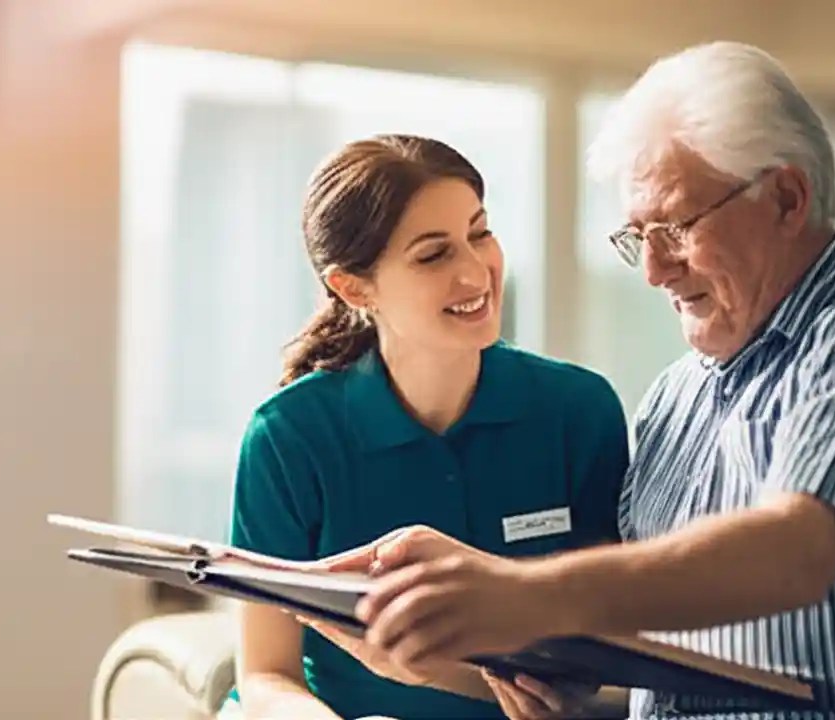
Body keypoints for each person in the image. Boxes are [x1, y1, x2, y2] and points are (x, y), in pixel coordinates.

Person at [332, 43, 835, 719]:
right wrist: (503, 657)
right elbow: (658, 645)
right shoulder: (674, 398)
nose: (655, 270)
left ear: (786, 198)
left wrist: (518, 592)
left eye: (675, 227)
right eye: (640, 236)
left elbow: (792, 557)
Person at [224, 134, 629, 720]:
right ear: (354, 287)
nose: (476, 272)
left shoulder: (578, 412)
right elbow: (265, 674)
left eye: (480, 233)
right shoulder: (288, 437)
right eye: (434, 255)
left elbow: (609, 654)